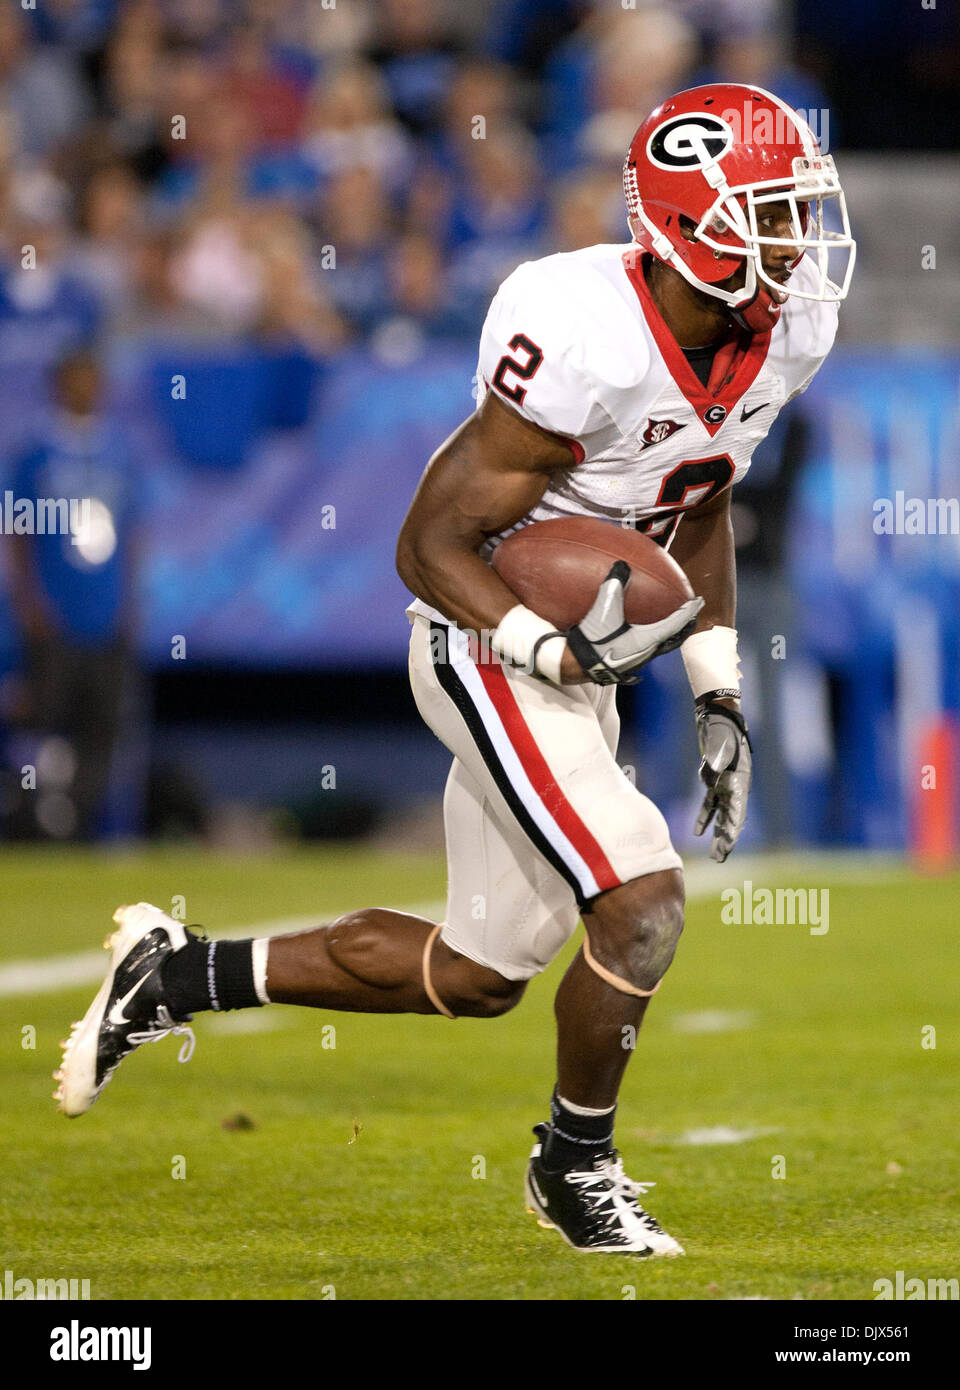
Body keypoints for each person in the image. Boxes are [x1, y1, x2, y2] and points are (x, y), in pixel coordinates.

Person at [55, 85, 854, 1257]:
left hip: (574, 659)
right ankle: (574, 1167)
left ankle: (174, 975)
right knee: (642, 899)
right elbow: (429, 544)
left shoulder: (782, 328)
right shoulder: (582, 330)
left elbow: (699, 492)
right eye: (772, 214)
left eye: (799, 210)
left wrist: (717, 685)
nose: (799, 240)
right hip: (483, 633)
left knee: (479, 972)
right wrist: (547, 646)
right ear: (692, 227)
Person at [5, 346, 141, 840]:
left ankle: (85, 823)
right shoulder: (36, 452)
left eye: (92, 379)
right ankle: (32, 820)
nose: (86, 389)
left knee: (103, 723)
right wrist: (28, 601)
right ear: (58, 385)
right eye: (76, 379)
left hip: (104, 614)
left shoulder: (119, 450)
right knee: (41, 719)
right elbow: (17, 531)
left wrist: (129, 600)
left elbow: (133, 531)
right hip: (54, 614)